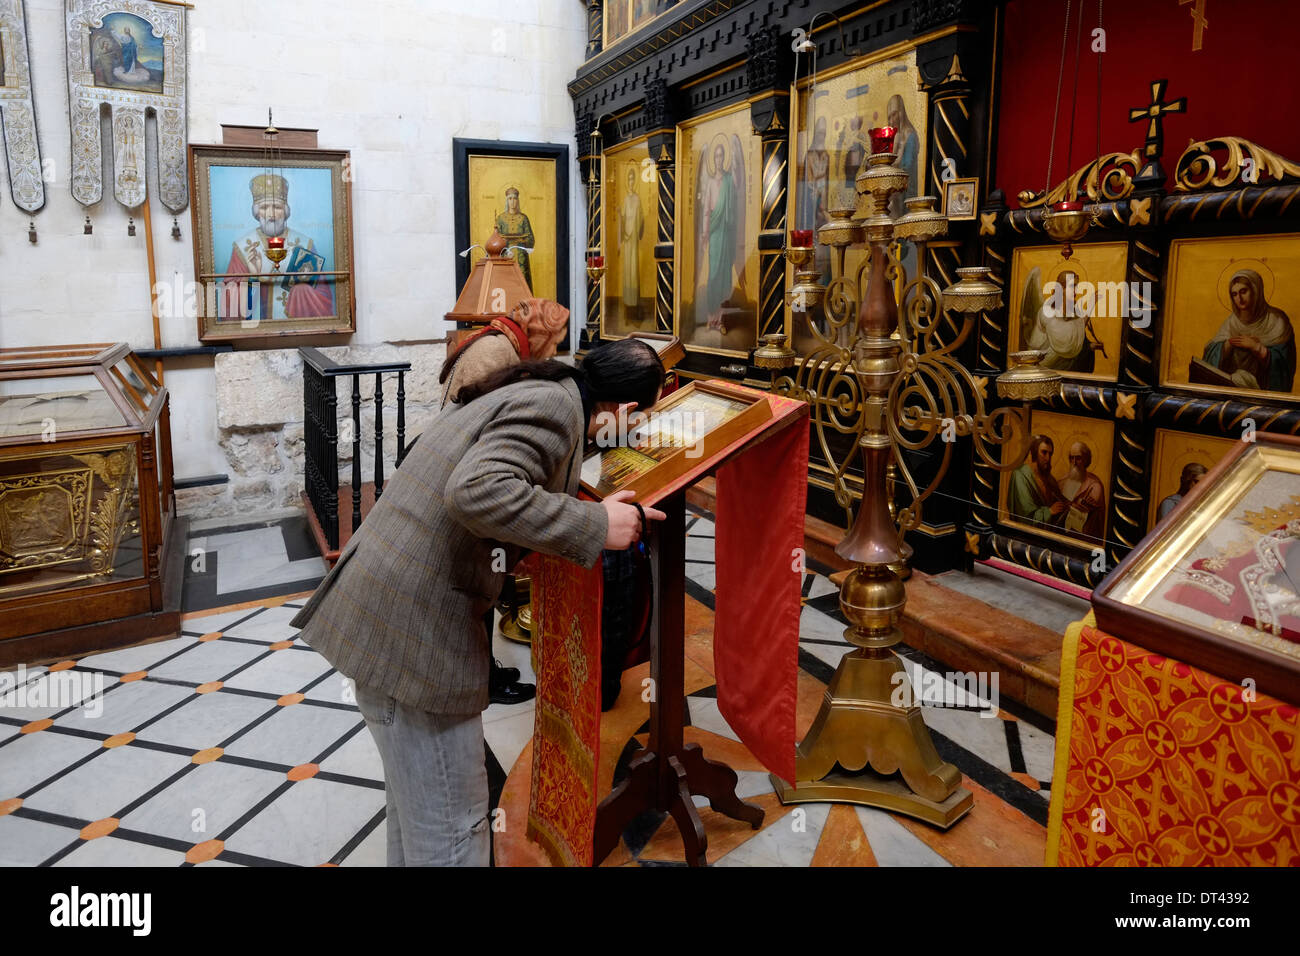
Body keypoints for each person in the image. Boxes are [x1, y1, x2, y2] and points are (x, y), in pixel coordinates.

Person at [291, 338, 667, 866]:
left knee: (417, 814)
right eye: (636, 422)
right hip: (413, 635)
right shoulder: (556, 407)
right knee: (455, 828)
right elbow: (477, 491)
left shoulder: (548, 385)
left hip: (387, 612)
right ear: (623, 410)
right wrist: (597, 524)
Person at [438, 297, 571, 704]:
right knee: (477, 586)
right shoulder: (497, 351)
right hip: (469, 479)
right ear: (538, 330)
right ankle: (486, 679)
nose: (553, 352)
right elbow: (487, 424)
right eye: (555, 341)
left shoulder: (497, 341)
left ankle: (488, 669)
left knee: (483, 585)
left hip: (461, 471)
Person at [221, 173, 334, 322]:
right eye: (264, 207)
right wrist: (253, 277)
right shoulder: (243, 247)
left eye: (277, 207)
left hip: (295, 329)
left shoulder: (304, 244)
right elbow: (230, 298)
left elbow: (323, 296)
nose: (271, 214)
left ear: (286, 211)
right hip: (258, 328)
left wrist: (301, 292)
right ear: (256, 212)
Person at [1201, 268, 1296, 392]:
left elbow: (1285, 364)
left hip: (1263, 394)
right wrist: (1227, 345)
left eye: (1243, 291)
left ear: (1256, 291)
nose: (1239, 298)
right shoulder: (1231, 322)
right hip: (1233, 390)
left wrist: (1257, 348)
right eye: (1234, 294)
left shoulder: (1277, 320)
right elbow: (1210, 355)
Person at [699, 139, 738, 331]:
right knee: (713, 276)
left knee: (724, 276)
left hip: (727, 232)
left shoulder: (730, 180)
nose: (719, 159)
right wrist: (705, 233)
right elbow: (707, 209)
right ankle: (710, 316)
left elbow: (734, 207)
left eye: (722, 155)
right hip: (714, 232)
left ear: (725, 158)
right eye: (716, 156)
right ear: (713, 159)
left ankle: (721, 320)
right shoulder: (711, 183)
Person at [1007, 435, 1067, 527]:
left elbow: (1059, 500)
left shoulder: (1049, 478)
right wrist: (1049, 512)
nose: (1048, 458)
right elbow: (1024, 516)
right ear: (1034, 452)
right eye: (1044, 452)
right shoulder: (1020, 475)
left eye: (1050, 454)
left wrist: (1070, 505)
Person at [1055, 441, 1106, 539]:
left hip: (1081, 539)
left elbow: (1094, 520)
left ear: (1086, 459)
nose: (1074, 462)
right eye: (1071, 458)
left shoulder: (1094, 485)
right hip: (1060, 536)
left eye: (1078, 458)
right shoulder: (1062, 482)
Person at [495, 187, 536, 291]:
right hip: (505, 257)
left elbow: (531, 239)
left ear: (518, 200)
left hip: (521, 257)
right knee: (506, 286)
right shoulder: (500, 218)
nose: (512, 202)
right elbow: (496, 239)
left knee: (522, 288)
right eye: (510, 199)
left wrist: (522, 241)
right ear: (507, 201)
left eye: (515, 198)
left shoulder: (523, 218)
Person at [619, 165, 644, 315]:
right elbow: (622, 219)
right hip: (627, 239)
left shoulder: (637, 199)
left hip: (633, 237)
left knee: (633, 268)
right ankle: (627, 301)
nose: (630, 182)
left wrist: (635, 228)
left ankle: (634, 301)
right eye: (628, 179)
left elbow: (640, 218)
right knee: (627, 268)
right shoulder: (625, 199)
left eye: (632, 179)